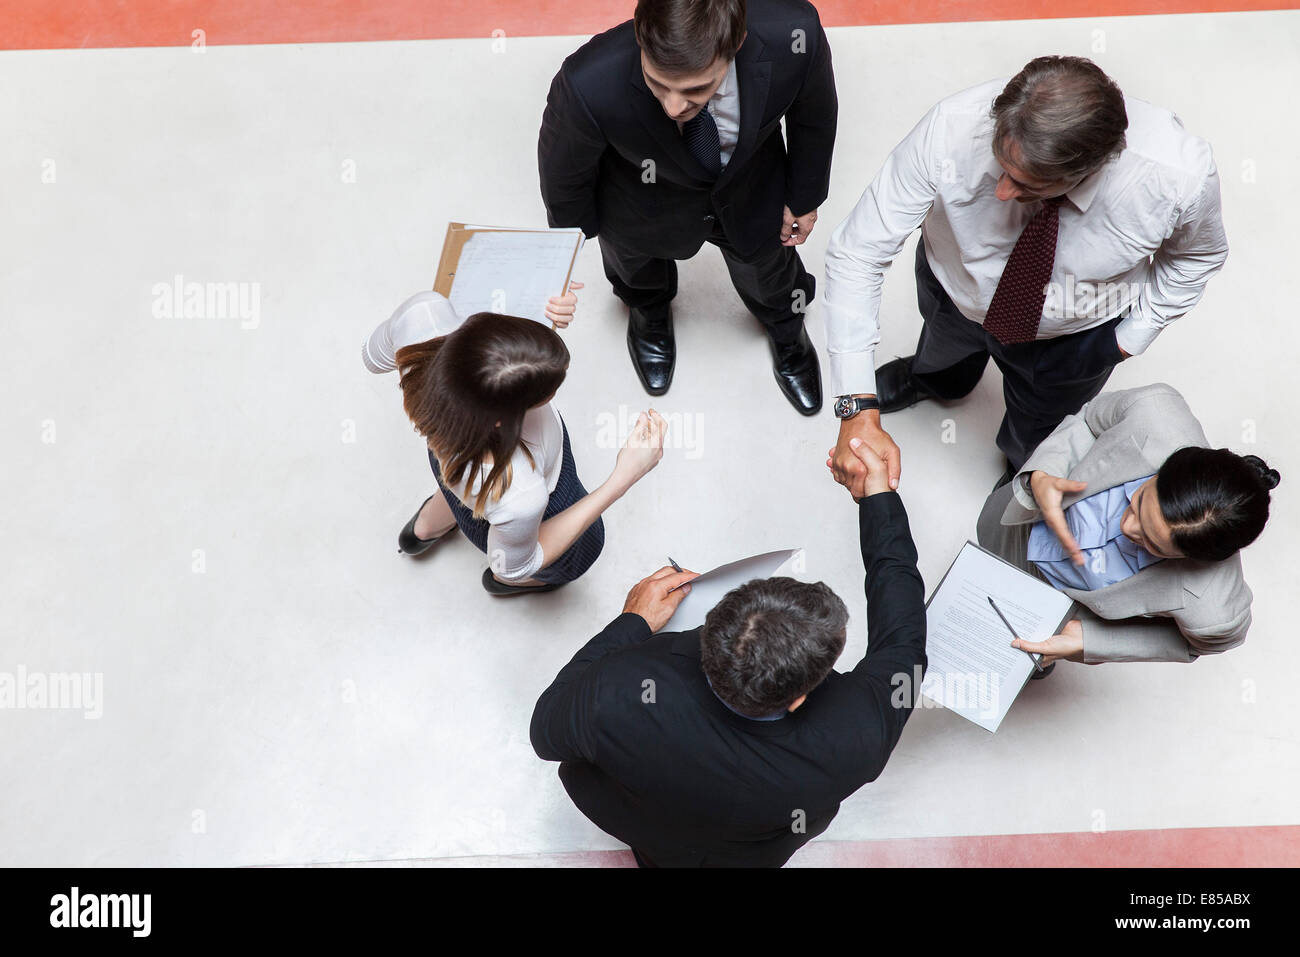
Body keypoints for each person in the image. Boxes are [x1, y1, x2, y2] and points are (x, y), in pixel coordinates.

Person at [824, 55, 1229, 491]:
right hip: (954, 291)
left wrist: (1129, 338)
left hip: (1074, 336)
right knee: (941, 355)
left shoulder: (1179, 179)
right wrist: (857, 405)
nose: (1001, 191)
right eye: (1001, 166)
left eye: (1027, 185)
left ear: (1090, 168)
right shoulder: (950, 128)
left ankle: (1021, 470)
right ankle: (933, 381)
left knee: (1038, 432)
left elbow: (1195, 258)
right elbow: (858, 253)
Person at [529, 438, 926, 866]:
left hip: (648, 825)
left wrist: (633, 622)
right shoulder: (857, 733)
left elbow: (545, 732)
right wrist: (878, 498)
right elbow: (903, 642)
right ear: (796, 698)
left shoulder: (622, 688)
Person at [537, 0, 837, 415]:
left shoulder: (794, 36)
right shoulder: (587, 80)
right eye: (658, 84)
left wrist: (804, 198)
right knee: (636, 272)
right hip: (639, 202)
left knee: (773, 274)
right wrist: (564, 258)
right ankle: (649, 315)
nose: (674, 107)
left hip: (750, 188)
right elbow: (564, 174)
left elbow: (814, 115)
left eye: (696, 89)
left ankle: (786, 329)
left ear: (738, 44)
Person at [362, 288, 666, 595]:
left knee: (456, 482)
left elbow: (372, 357)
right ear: (502, 418)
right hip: (507, 496)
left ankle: (429, 524)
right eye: (547, 389)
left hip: (450, 451)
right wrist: (622, 478)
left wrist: (535, 297)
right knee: (586, 544)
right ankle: (506, 587)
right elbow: (513, 564)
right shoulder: (519, 493)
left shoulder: (424, 318)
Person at [976, 383, 1279, 668]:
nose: (1127, 529)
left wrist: (1088, 641)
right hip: (1016, 524)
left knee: (1008, 656)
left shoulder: (1216, 610)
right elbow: (1088, 421)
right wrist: (1043, 474)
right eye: (1138, 502)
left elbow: (1198, 644)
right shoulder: (1154, 410)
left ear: (1194, 558)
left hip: (1053, 608)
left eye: (1151, 543)